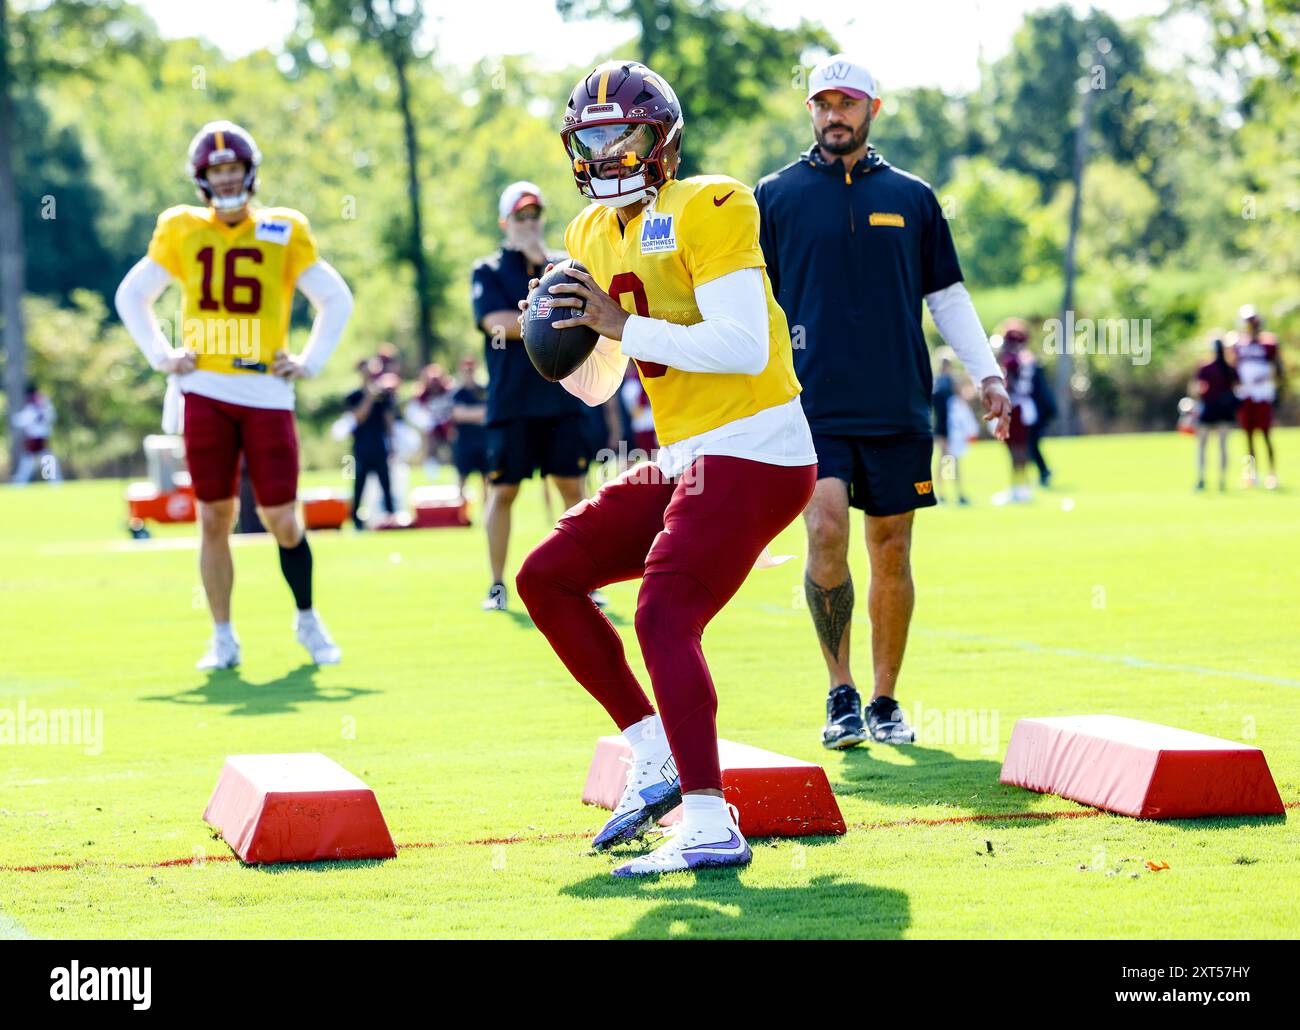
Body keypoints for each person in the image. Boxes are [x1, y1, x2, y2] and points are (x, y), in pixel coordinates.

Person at [514, 60, 817, 875]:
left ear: (664, 142)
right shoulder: (585, 234)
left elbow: (744, 345)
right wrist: (560, 332)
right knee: (546, 575)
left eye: (627, 135)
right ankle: (652, 757)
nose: (610, 152)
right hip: (689, 456)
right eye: (595, 138)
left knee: (662, 614)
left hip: (756, 443)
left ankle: (711, 821)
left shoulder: (712, 202)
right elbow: (598, 386)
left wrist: (617, 318)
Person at [755, 55, 1010, 751]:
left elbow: (948, 296)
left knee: (890, 547)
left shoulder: (915, 196)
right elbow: (750, 304)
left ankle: (886, 699)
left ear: (874, 108)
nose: (833, 113)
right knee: (826, 527)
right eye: (822, 103)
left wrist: (986, 374)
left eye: (847, 102)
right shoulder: (772, 198)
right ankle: (839, 691)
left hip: (899, 403)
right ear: (810, 110)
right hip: (809, 406)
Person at [115, 120, 351, 669]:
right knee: (213, 516)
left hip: (267, 391)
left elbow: (335, 299)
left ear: (249, 172)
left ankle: (307, 619)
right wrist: (162, 355)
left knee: (282, 518)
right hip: (205, 390)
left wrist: (310, 361)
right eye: (216, 171)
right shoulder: (180, 227)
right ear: (203, 179)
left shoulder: (284, 229)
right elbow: (133, 295)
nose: (226, 179)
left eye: (233, 169)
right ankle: (222, 636)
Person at [471, 181, 589, 611]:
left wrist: (542, 280)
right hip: (512, 400)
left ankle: (582, 578)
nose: (529, 223)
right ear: (506, 222)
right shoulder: (487, 269)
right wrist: (545, 315)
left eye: (534, 215)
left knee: (573, 489)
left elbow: (581, 319)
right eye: (520, 216)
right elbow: (497, 323)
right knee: (503, 492)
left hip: (560, 397)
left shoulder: (562, 265)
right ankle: (497, 585)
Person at [1232, 305, 1285, 489]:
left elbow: (1277, 368)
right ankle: (1250, 475)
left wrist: (1268, 380)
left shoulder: (1268, 342)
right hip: (1246, 395)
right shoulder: (1238, 344)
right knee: (1248, 437)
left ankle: (1272, 474)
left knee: (1266, 435)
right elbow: (1234, 368)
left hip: (1262, 394)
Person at [345, 357, 397, 529]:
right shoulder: (354, 396)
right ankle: (355, 520)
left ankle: (391, 516)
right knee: (358, 483)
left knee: (386, 484)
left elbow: (388, 421)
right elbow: (358, 417)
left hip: (379, 446)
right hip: (360, 447)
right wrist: (369, 396)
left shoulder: (383, 396)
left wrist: (392, 445)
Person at [996, 322, 1037, 505]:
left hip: (1016, 407)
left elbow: (1010, 384)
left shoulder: (1013, 360)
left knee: (1015, 449)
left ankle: (1017, 488)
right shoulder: (1025, 357)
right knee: (1021, 448)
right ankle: (1023, 487)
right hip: (1024, 406)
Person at [1194, 336, 1238, 492]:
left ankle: (1201, 478)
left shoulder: (1206, 367)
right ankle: (1222, 480)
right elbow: (1237, 387)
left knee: (1202, 446)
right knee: (1223, 446)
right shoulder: (1230, 368)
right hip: (1225, 411)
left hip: (1209, 409)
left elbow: (1199, 388)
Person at [449, 356, 489, 499]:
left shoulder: (483, 390)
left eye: (471, 369)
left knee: (486, 481)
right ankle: (459, 513)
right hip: (464, 444)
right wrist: (478, 413)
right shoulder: (457, 393)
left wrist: (468, 412)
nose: (469, 372)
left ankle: (487, 514)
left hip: (482, 442)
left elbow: (488, 412)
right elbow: (458, 415)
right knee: (462, 478)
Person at [931, 357, 969, 505]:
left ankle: (949, 492)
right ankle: (947, 492)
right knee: (948, 459)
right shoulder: (943, 382)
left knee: (948, 459)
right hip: (945, 427)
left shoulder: (944, 382)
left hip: (948, 426)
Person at [9, 382, 59, 485]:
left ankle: (20, 482)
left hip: (34, 439)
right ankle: (54, 481)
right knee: (41, 461)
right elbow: (51, 417)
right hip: (42, 438)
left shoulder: (33, 407)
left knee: (29, 462)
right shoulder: (44, 405)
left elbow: (22, 421)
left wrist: (13, 417)